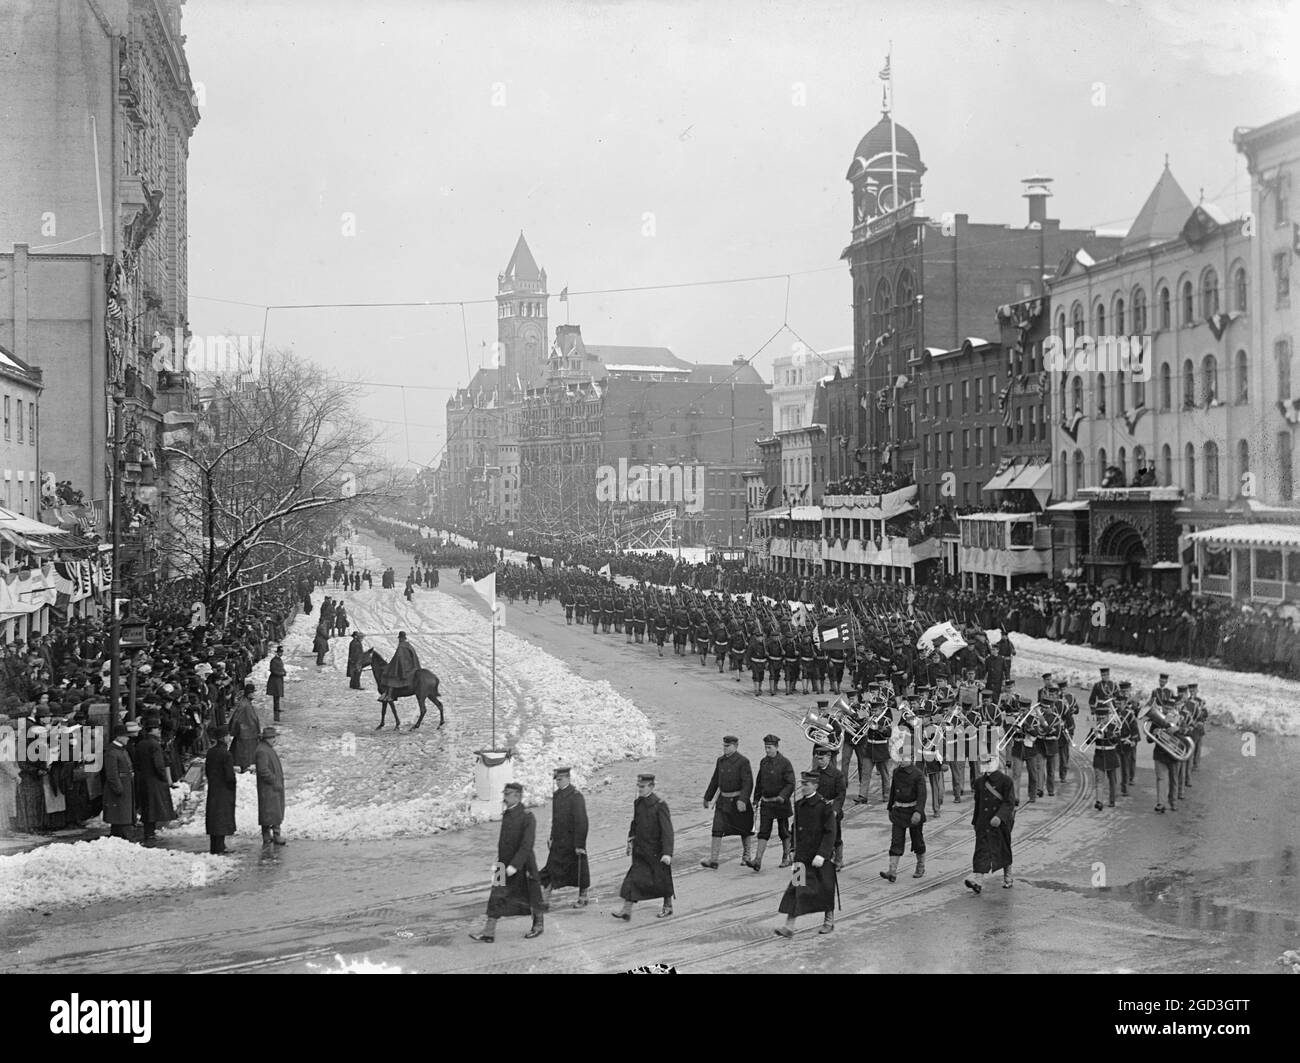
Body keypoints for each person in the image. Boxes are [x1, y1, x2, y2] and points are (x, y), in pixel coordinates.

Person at [470, 782, 545, 942]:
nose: (504, 797)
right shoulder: (508, 813)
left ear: (517, 796)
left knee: (532, 895)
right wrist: (499, 860)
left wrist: (515, 865)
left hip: (523, 864)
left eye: (507, 794)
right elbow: (504, 842)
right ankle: (488, 933)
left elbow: (527, 844)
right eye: (504, 794)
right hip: (503, 864)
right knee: (495, 896)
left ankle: (538, 926)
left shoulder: (527, 816)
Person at [774, 770, 838, 938]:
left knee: (825, 888)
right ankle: (789, 926)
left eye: (806, 784)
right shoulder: (799, 805)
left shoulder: (824, 806)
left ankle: (828, 922)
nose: (803, 787)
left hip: (819, 858)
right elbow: (796, 828)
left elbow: (830, 832)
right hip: (802, 859)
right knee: (796, 889)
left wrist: (823, 854)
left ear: (815, 786)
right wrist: (793, 850)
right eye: (802, 784)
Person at [612, 773, 674, 922]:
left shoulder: (660, 805)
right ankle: (626, 910)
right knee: (632, 879)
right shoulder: (638, 803)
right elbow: (635, 823)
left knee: (661, 879)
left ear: (651, 787)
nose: (639, 789)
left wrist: (667, 853)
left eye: (642, 786)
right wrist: (630, 839)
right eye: (638, 786)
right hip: (640, 851)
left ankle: (668, 906)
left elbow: (667, 831)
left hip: (656, 852)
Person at [701, 735, 755, 869]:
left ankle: (747, 856)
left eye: (728, 746)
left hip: (738, 802)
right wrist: (707, 797)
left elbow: (748, 783)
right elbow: (715, 780)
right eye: (724, 746)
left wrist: (743, 800)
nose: (725, 748)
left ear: (735, 746)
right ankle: (713, 860)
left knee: (744, 828)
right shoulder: (720, 761)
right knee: (717, 828)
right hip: (723, 801)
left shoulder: (743, 762)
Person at [965, 750, 1015, 893]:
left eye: (987, 763)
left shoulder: (1006, 781)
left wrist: (999, 817)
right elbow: (978, 804)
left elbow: (1009, 803)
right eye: (983, 763)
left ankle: (1008, 877)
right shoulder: (980, 782)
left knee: (1003, 850)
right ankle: (978, 881)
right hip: (983, 823)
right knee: (981, 851)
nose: (984, 765)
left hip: (1001, 823)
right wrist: (975, 822)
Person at [539, 767, 590, 908]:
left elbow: (582, 821)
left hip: (573, 842)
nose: (558, 782)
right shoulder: (557, 795)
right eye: (556, 780)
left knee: (579, 870)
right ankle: (545, 900)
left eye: (560, 779)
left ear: (568, 778)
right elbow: (555, 819)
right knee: (551, 869)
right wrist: (551, 837)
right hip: (559, 841)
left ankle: (583, 897)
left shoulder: (576, 796)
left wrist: (579, 845)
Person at [881, 741, 927, 883]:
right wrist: (890, 808)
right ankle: (892, 871)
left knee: (917, 841)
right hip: (899, 812)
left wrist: (918, 812)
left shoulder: (918, 775)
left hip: (913, 812)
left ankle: (920, 866)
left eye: (905, 757)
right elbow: (893, 791)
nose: (901, 760)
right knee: (896, 841)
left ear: (912, 758)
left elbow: (922, 795)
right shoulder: (896, 772)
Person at [750, 733, 795, 871]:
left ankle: (786, 857)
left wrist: (782, 796)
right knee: (763, 831)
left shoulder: (785, 763)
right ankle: (757, 860)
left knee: (783, 831)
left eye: (769, 747)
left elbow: (790, 783)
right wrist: (756, 799)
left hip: (781, 803)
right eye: (765, 747)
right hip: (766, 803)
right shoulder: (763, 762)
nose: (767, 750)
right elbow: (759, 782)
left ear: (776, 747)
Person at [135, 717, 175, 844]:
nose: (159, 732)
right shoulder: (155, 745)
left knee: (147, 808)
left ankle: (149, 833)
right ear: (153, 730)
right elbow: (158, 765)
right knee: (154, 808)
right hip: (154, 780)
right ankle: (150, 835)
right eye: (158, 729)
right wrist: (164, 777)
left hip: (143, 779)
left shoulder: (141, 743)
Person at [812, 744, 847, 868]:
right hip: (817, 809)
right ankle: (824, 858)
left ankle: (838, 860)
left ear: (828, 757)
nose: (819, 761)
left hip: (832, 809)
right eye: (818, 759)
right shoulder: (814, 774)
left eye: (822, 759)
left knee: (836, 835)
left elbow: (841, 794)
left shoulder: (837, 774)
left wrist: (835, 809)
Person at [204, 725, 237, 855]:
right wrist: (232, 786)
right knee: (222, 817)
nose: (230, 738)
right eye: (228, 736)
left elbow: (207, 771)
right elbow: (229, 775)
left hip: (214, 788)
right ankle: (221, 846)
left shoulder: (211, 752)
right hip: (224, 790)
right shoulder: (226, 754)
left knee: (214, 816)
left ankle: (215, 845)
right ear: (224, 738)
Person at [255, 726, 287, 846]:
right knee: (271, 812)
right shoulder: (263, 751)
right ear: (267, 738)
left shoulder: (265, 749)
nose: (275, 739)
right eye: (273, 737)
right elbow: (263, 770)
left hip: (271, 787)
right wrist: (274, 780)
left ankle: (268, 835)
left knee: (271, 811)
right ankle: (274, 835)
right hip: (269, 788)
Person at [102, 724, 135, 840]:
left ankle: (118, 836)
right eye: (126, 736)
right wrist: (118, 787)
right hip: (120, 787)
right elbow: (112, 773)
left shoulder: (119, 750)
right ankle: (126, 837)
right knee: (122, 815)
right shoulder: (112, 752)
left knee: (121, 815)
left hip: (125, 785)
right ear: (119, 737)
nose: (128, 738)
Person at [229, 684, 261, 772]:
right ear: (249, 693)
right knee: (245, 753)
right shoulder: (244, 705)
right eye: (253, 692)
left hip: (248, 733)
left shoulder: (245, 703)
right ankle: (244, 767)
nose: (254, 694)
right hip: (246, 733)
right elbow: (236, 718)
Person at [381, 632, 420, 697]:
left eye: (399, 638)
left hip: (405, 667)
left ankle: (389, 695)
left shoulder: (401, 646)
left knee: (390, 675)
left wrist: (390, 665)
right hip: (412, 666)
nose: (399, 640)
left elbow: (398, 658)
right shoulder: (409, 645)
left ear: (401, 638)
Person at [266, 646, 286, 721]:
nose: (281, 653)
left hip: (278, 679)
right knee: (276, 694)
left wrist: (284, 672)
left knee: (278, 694)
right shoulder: (274, 660)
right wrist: (281, 673)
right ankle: (276, 708)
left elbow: (281, 667)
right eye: (280, 652)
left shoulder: (278, 659)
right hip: (275, 679)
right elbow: (273, 670)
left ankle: (277, 707)